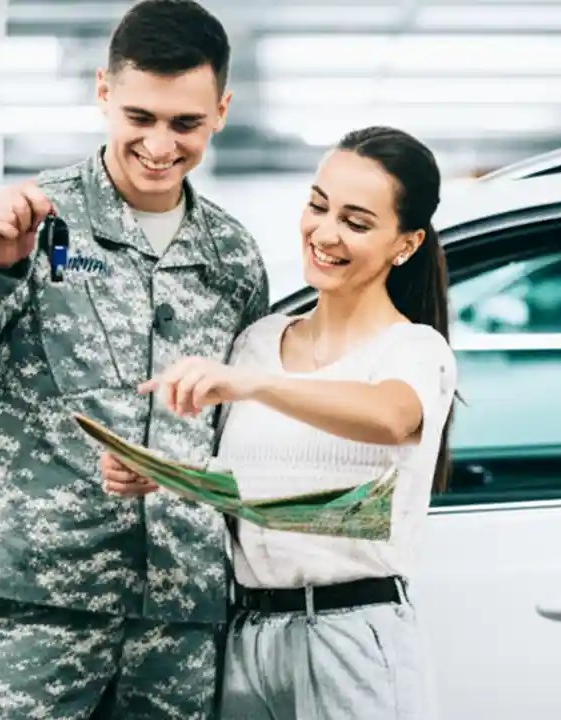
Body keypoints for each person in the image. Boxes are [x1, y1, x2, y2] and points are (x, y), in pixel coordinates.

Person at [0, 2, 268, 718]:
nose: (160, 145)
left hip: (180, 611)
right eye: (140, 117)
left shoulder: (234, 255)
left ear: (221, 109)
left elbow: (239, 426)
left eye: (185, 124)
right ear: (103, 92)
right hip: (39, 599)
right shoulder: (19, 218)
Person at [102, 125, 458, 719]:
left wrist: (257, 385)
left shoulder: (414, 349)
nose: (324, 232)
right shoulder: (259, 342)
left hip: (350, 634)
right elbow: (258, 491)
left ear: (407, 242)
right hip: (249, 635)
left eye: (357, 221)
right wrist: (168, 476)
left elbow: (391, 418)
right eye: (318, 206)